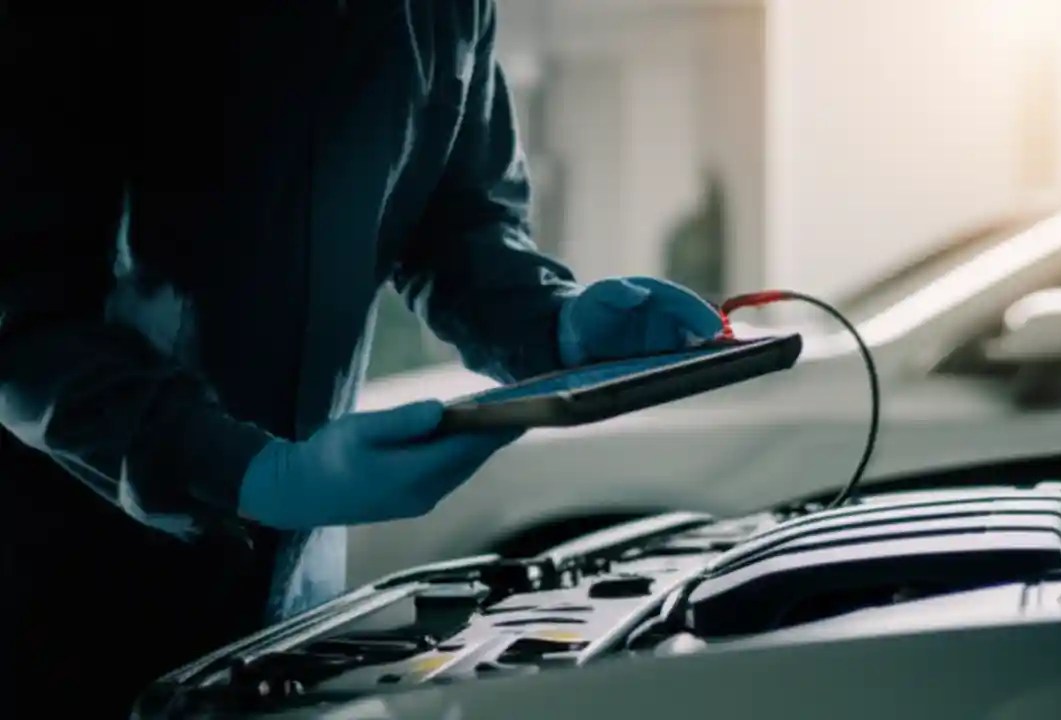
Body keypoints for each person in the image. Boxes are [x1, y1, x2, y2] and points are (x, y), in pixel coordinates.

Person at [0, 2, 724, 715]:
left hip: (294, 616)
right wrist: (247, 472)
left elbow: (457, 223)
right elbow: (24, 325)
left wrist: (558, 327)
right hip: (64, 597)